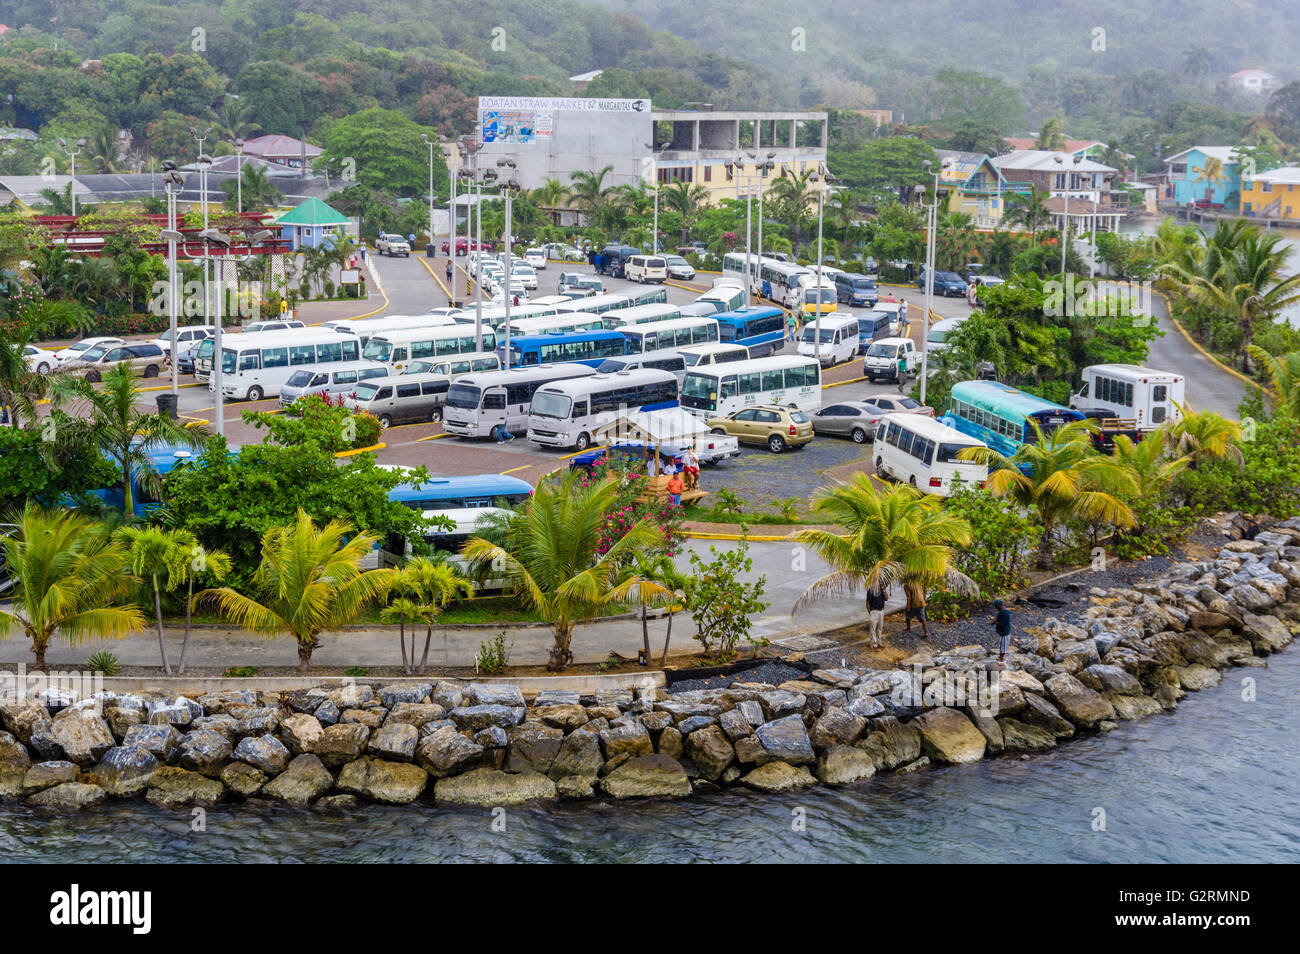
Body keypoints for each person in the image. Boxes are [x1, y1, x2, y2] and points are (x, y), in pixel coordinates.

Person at [867, 583, 888, 648]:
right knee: (873, 629)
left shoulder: (882, 589)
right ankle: (873, 644)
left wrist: (883, 590)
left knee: (880, 628)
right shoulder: (871, 590)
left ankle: (879, 642)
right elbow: (867, 603)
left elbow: (886, 598)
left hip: (881, 611)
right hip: (874, 611)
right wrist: (870, 613)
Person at [992, 598, 1012, 662]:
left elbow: (1002, 624)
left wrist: (994, 623)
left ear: (999, 606)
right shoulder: (1001, 611)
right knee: (1001, 645)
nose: (996, 608)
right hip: (1002, 632)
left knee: (1003, 646)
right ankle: (1000, 656)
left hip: (1005, 632)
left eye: (996, 607)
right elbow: (998, 619)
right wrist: (995, 620)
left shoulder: (1005, 613)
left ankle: (1002, 658)